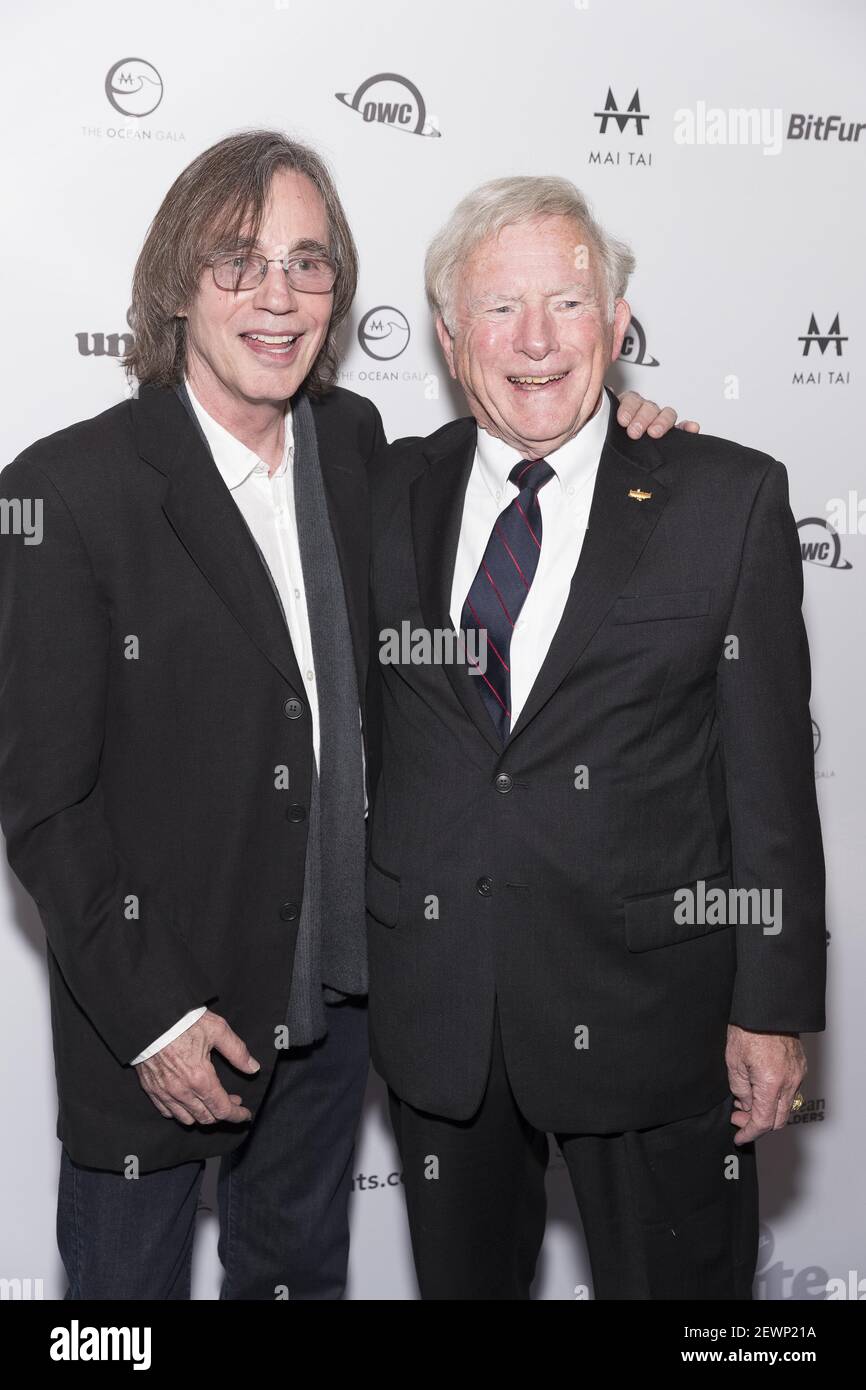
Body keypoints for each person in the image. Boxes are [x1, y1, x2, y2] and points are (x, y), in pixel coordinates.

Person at [0, 134, 684, 1300]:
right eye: (238, 261)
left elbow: (522, 450)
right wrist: (152, 1014)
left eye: (307, 264)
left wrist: (616, 430)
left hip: (335, 1007)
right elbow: (42, 800)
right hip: (160, 1020)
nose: (277, 296)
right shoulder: (67, 491)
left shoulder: (361, 451)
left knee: (297, 1283)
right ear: (176, 282)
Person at [365, 175, 826, 1300]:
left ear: (617, 325)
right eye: (498, 307)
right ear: (445, 332)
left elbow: (769, 779)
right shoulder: (378, 491)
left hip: (652, 1024)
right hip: (444, 1022)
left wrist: (769, 1005)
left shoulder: (725, 498)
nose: (534, 341)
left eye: (567, 305)